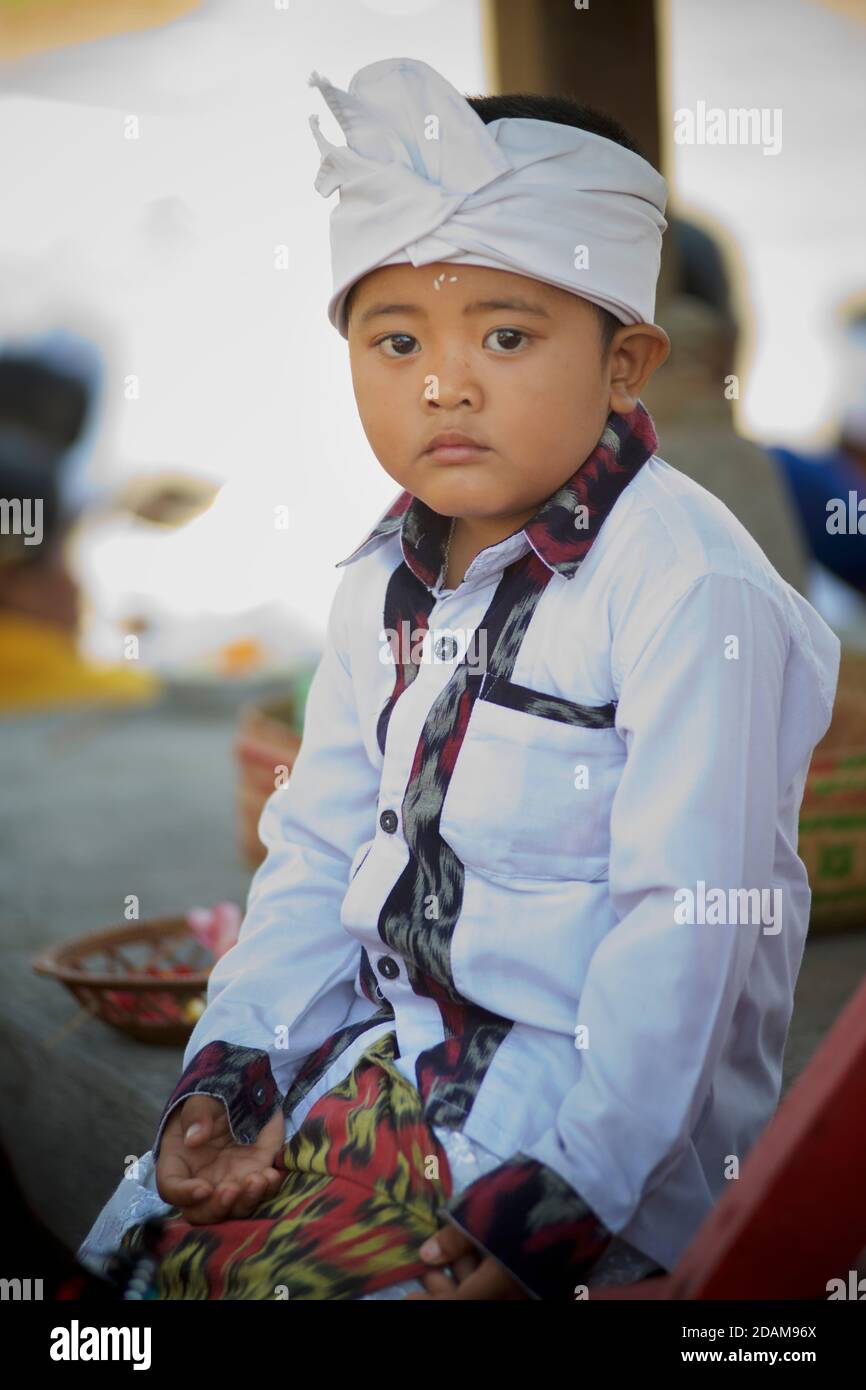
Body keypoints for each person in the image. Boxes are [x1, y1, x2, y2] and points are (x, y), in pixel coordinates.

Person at [78, 57, 840, 1301]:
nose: (443, 382)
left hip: (572, 1150)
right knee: (143, 1282)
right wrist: (230, 1069)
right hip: (387, 1071)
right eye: (394, 339)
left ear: (624, 362)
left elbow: (687, 943)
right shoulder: (378, 581)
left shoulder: (691, 595)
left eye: (504, 333)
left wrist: (560, 1207)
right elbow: (320, 854)